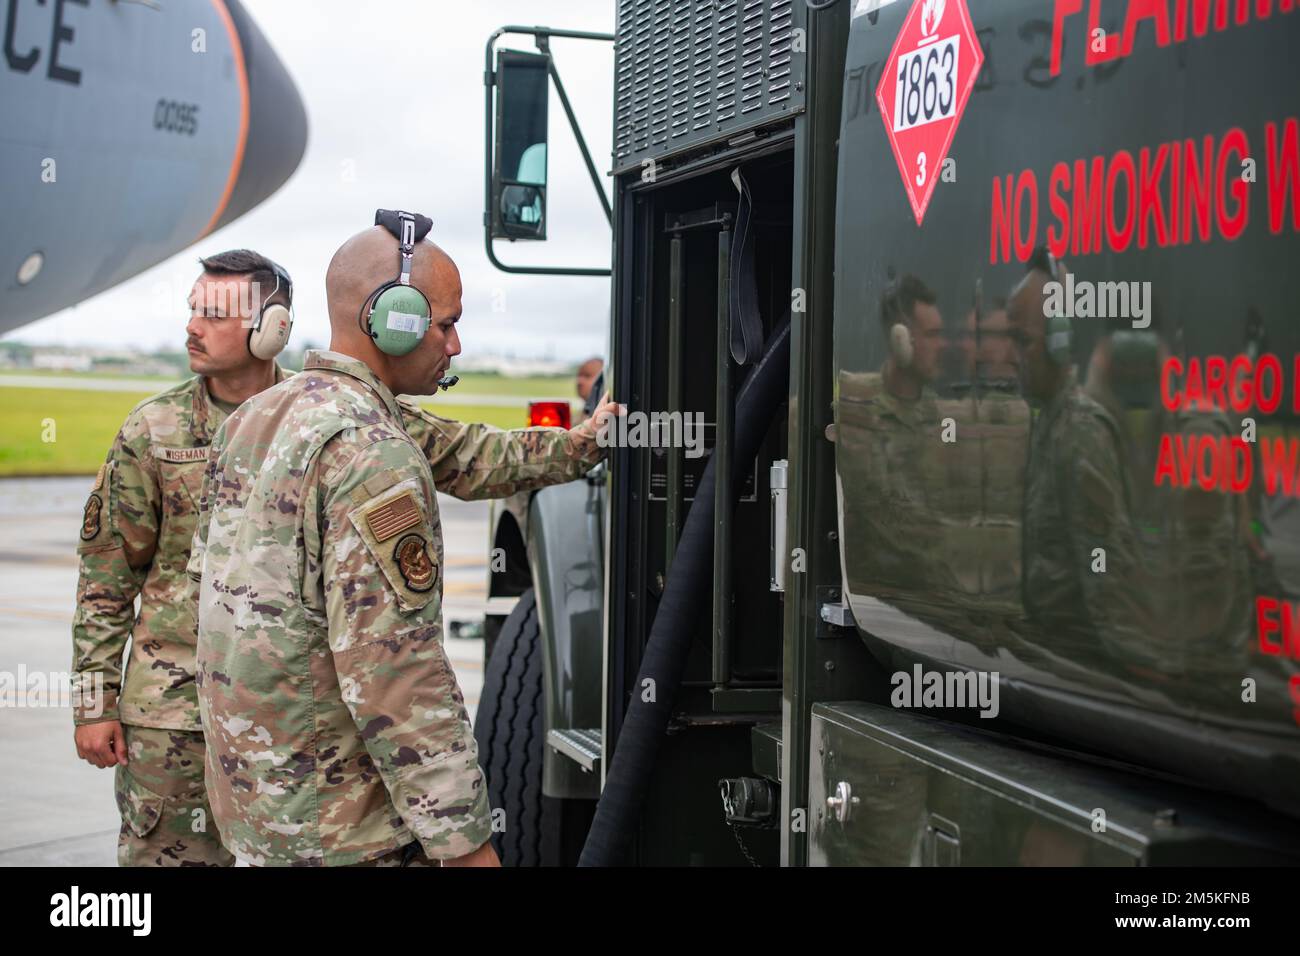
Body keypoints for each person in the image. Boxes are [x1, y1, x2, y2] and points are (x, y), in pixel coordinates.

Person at [188, 211, 620, 866]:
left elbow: (471, 453)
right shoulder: (369, 449)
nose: (455, 345)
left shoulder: (263, 415)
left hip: (259, 811)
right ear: (393, 320)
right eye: (445, 324)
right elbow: (396, 669)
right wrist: (463, 843)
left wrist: (584, 444)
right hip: (342, 831)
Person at [71, 249, 293, 866]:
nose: (192, 327)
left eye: (214, 314)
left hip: (292, 720)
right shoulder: (154, 430)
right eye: (193, 310)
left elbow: (453, 449)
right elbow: (104, 579)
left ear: (272, 329)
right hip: (173, 724)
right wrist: (94, 706)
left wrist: (574, 444)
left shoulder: (316, 420)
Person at [1007, 250, 1154, 676]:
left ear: (1059, 340)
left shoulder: (1079, 434)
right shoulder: (1048, 425)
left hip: (1078, 676)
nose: (1014, 356)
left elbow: (1113, 595)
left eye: (1024, 340)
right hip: (1053, 669)